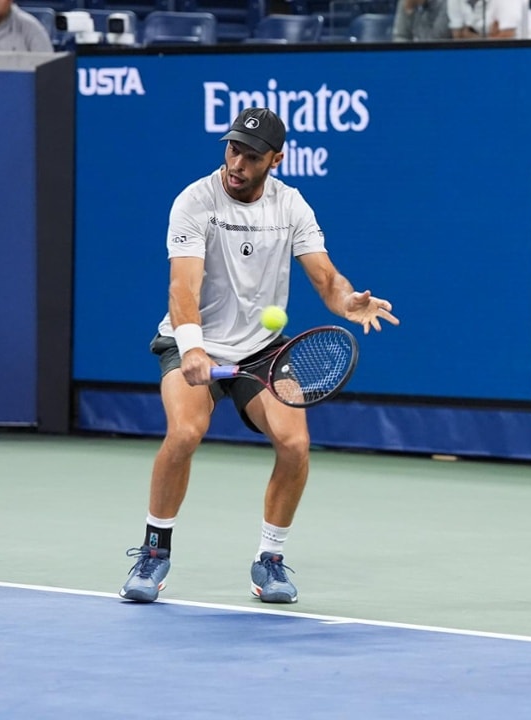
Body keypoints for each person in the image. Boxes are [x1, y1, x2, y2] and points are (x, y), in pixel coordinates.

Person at [120, 107, 400, 605]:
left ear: (275, 159)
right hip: (193, 339)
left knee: (294, 444)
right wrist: (192, 349)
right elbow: (182, 288)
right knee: (185, 431)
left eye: (251, 156)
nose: (237, 162)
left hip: (261, 350)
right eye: (233, 149)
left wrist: (348, 301)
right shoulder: (194, 201)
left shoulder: (292, 207)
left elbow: (327, 279)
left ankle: (269, 559)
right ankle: (154, 552)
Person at [448, 0, 531, 38]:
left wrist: (470, 35)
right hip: (484, 55)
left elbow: (506, 37)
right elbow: (458, 36)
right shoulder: (454, 1)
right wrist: (492, 36)